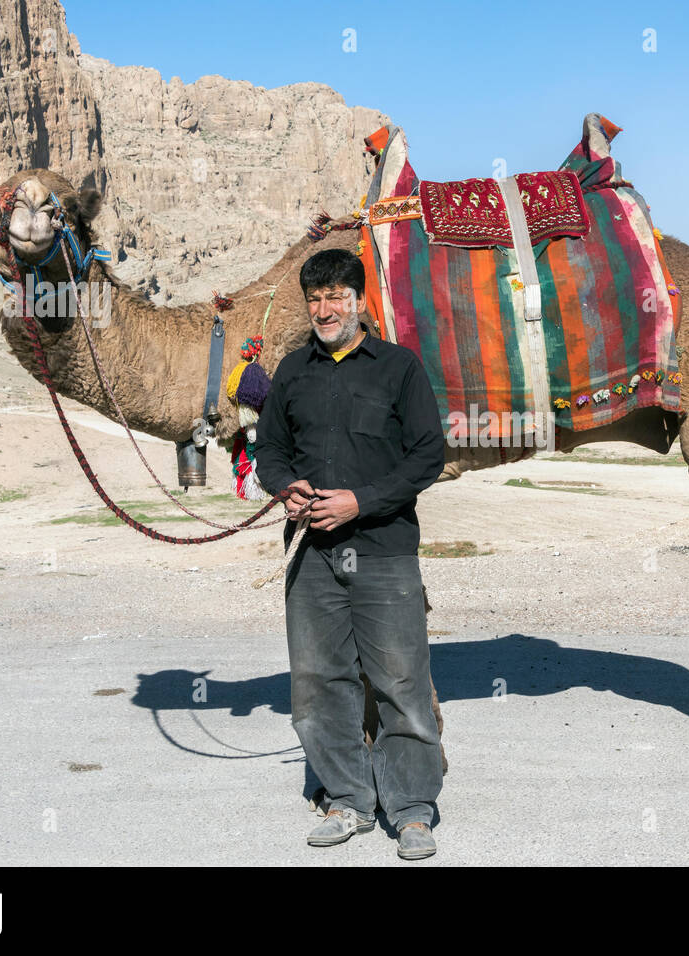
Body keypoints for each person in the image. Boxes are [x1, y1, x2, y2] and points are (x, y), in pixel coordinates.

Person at [253, 248, 445, 861]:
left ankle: (412, 809)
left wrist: (359, 502)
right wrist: (284, 486)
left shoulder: (399, 368)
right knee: (317, 683)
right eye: (315, 299)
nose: (325, 309)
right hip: (311, 555)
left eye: (337, 296)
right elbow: (271, 451)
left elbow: (426, 456)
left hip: (383, 550)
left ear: (359, 301)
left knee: (400, 680)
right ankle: (347, 800)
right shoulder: (292, 372)